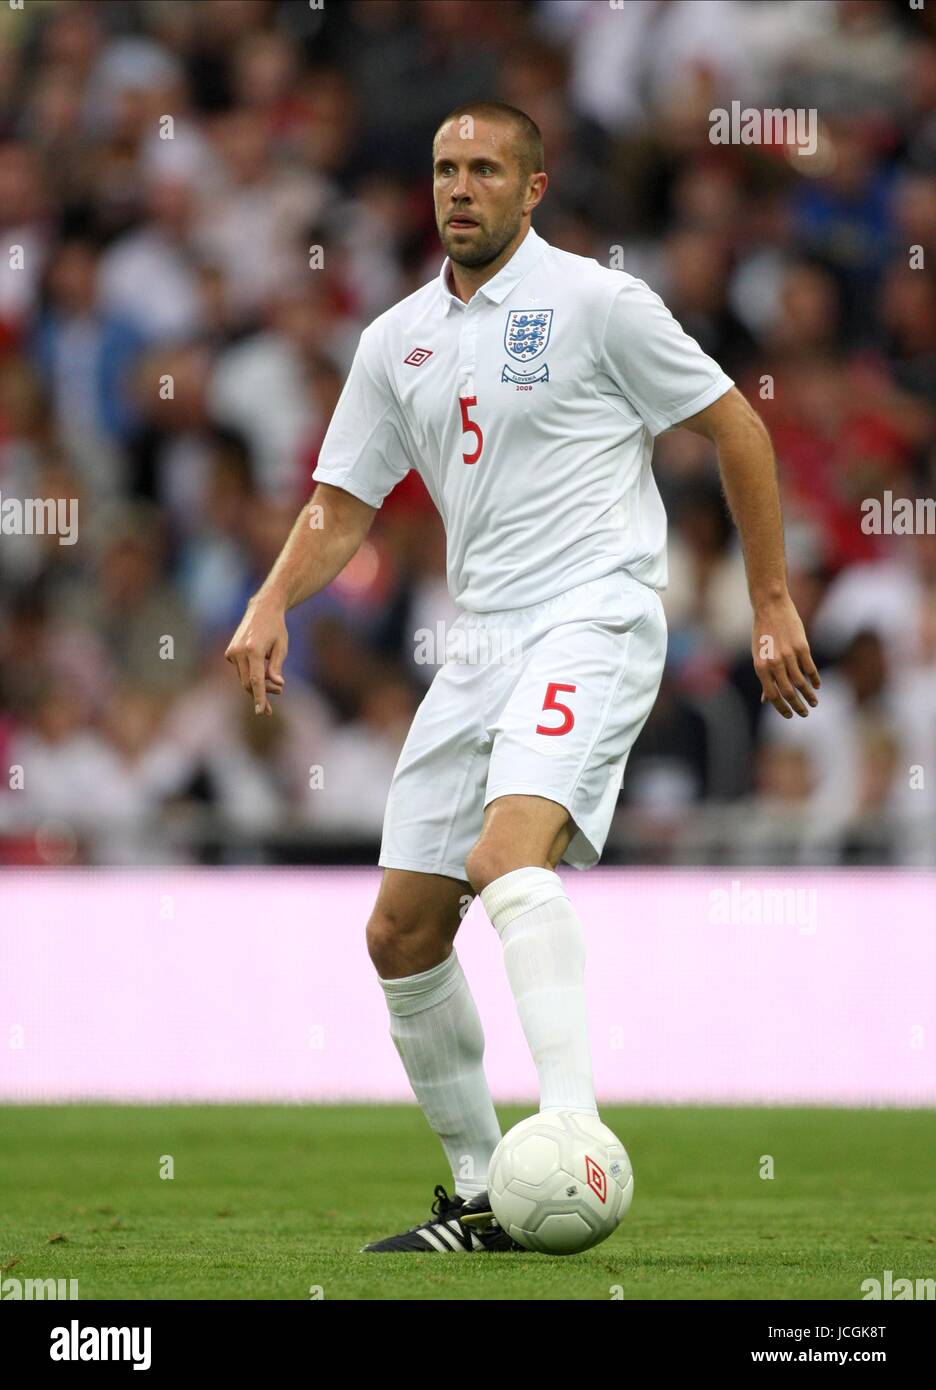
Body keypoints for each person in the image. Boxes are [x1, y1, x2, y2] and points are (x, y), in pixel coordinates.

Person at [225, 102, 820, 1253]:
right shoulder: (395, 338)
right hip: (479, 642)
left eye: (487, 169)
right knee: (400, 932)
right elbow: (341, 505)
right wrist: (271, 600)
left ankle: (575, 1129)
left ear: (533, 187)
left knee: (505, 856)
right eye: (446, 168)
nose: (461, 187)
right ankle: (479, 1191)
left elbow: (737, 430)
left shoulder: (599, 302)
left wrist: (769, 601)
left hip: (594, 615)